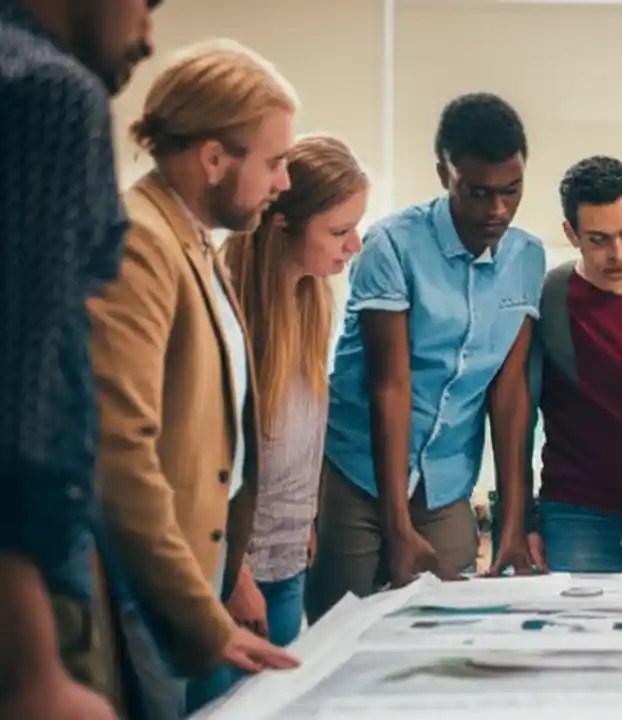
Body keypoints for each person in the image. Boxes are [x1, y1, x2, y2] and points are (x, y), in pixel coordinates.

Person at [89, 40, 301, 717]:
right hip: (152, 589)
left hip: (194, 579)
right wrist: (199, 615)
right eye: (273, 162)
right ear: (213, 159)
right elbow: (121, 450)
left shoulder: (192, 242)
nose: (284, 182)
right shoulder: (140, 242)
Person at [312, 92, 545, 618]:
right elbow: (389, 386)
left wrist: (513, 522)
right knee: (341, 632)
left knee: (444, 635)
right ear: (444, 173)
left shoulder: (526, 258)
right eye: (479, 192)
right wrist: (396, 525)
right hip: (358, 474)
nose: (498, 210)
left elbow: (508, 397)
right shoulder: (391, 245)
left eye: (512, 190)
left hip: (445, 483)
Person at [0, 1, 158, 717]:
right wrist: (34, 668)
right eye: (146, 5)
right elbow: (19, 402)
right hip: (25, 592)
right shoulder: (46, 92)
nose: (148, 36)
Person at [222, 136, 369, 647]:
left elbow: (299, 442)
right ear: (282, 223)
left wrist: (303, 525)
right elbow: (203, 470)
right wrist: (233, 576)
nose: (355, 246)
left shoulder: (312, 303)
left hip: (288, 567)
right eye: (339, 231)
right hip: (229, 580)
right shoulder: (231, 317)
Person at [532, 156, 622, 572]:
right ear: (570, 234)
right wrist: (519, 520)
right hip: (578, 512)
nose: (618, 253)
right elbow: (515, 414)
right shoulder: (549, 297)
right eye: (598, 239)